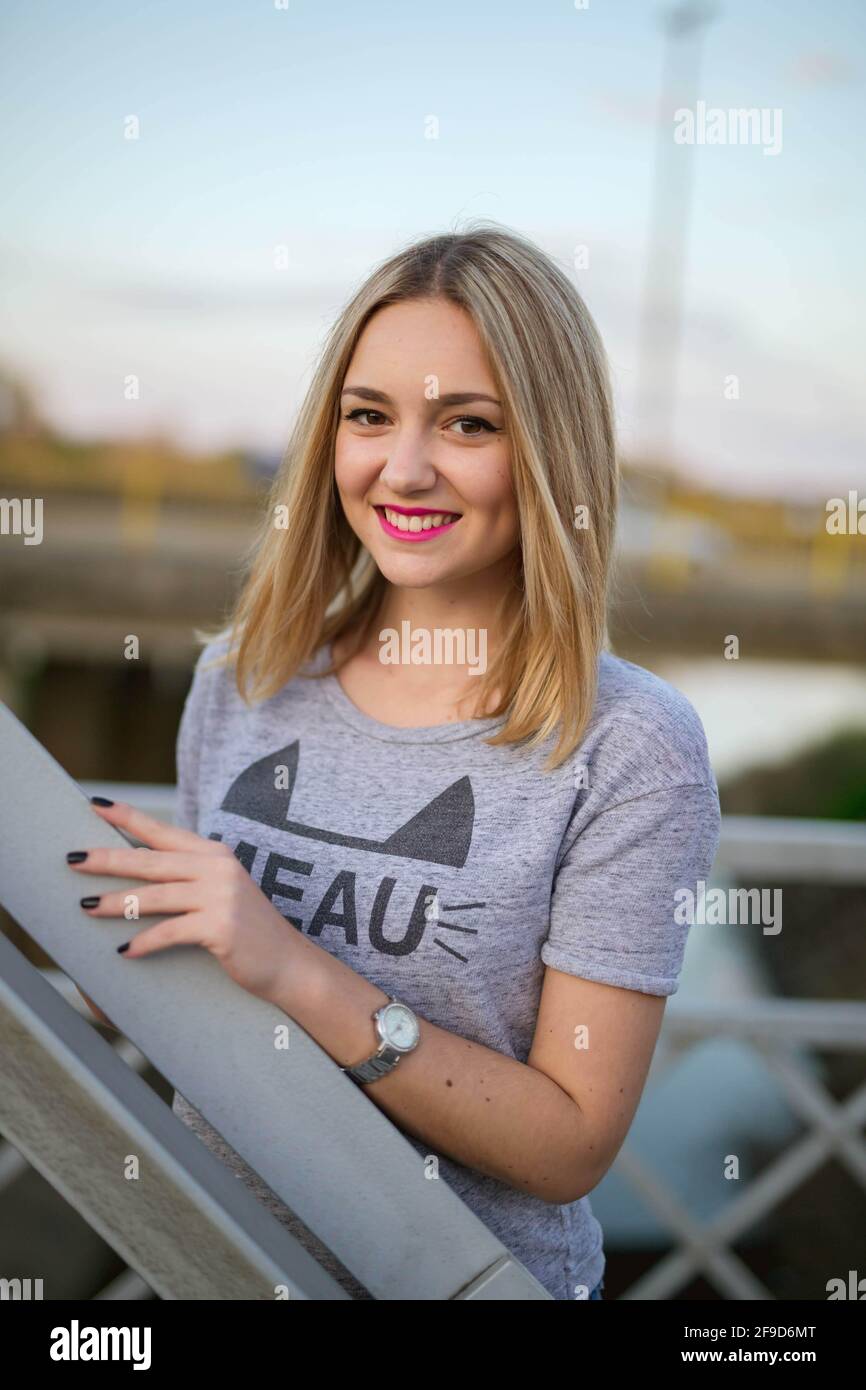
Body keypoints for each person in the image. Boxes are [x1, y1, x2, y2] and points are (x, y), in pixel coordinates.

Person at [71, 222, 721, 1301]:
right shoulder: (245, 677)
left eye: (467, 423)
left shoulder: (631, 745)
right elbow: (190, 973)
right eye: (368, 416)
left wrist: (295, 970)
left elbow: (568, 1144)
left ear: (549, 451)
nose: (401, 466)